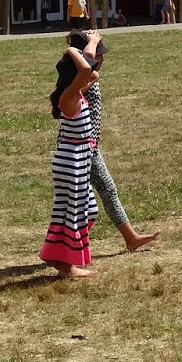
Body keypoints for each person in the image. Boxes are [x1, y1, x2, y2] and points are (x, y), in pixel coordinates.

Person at [69, 29, 159, 253]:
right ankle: (71, 247)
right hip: (81, 147)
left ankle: (130, 237)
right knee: (87, 199)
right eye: (98, 54)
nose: (102, 58)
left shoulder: (86, 75)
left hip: (90, 145)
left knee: (98, 194)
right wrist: (88, 46)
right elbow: (80, 79)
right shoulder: (80, 77)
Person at [41, 38, 99, 278]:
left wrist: (92, 44)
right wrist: (70, 49)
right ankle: (64, 264)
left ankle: (63, 255)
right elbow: (86, 69)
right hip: (71, 161)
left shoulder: (76, 92)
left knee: (90, 210)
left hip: (79, 160)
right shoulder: (69, 96)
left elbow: (91, 72)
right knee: (70, 213)